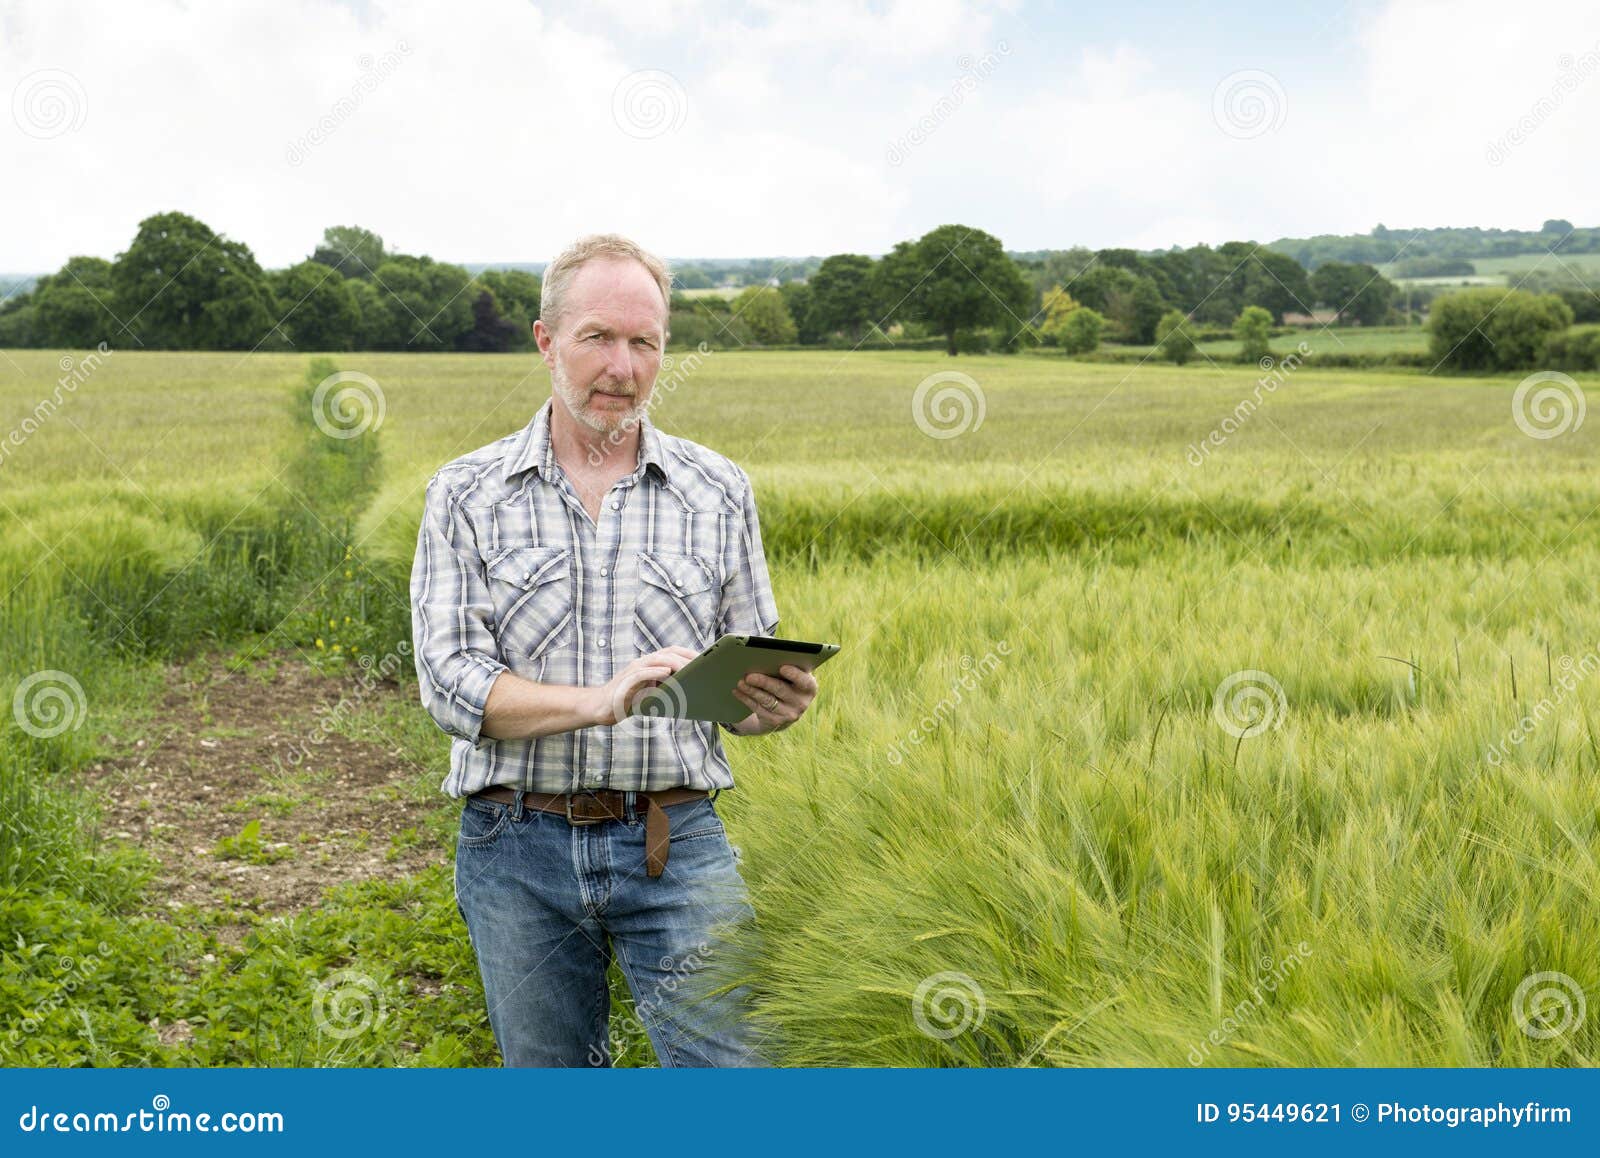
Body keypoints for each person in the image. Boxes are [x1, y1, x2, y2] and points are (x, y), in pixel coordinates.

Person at [409, 233, 819, 1066]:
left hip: (676, 836)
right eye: (598, 337)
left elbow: (746, 660)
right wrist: (599, 702)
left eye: (645, 343)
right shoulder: (466, 492)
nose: (622, 367)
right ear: (546, 340)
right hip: (514, 844)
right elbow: (451, 683)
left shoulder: (718, 489)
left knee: (735, 1083)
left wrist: (771, 704)